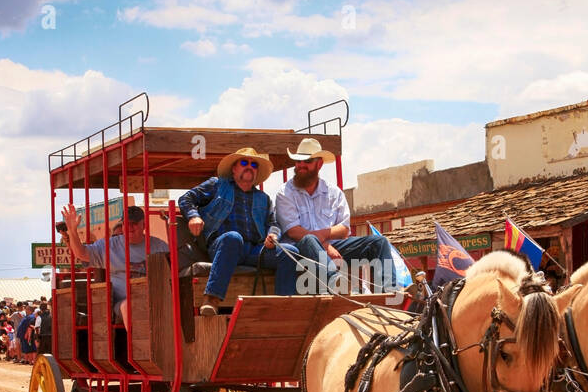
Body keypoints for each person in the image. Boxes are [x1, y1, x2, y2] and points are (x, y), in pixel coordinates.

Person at [177, 147, 294, 313]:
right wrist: (193, 216)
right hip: (223, 246)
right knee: (233, 237)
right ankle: (211, 299)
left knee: (290, 251)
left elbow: (273, 222)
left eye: (254, 165)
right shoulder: (217, 185)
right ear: (234, 168)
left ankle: (283, 307)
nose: (249, 166)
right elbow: (186, 199)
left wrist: (273, 235)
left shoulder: (263, 198)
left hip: (254, 250)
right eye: (245, 162)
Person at [275, 137, 397, 296]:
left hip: (334, 248)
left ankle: (389, 291)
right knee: (309, 240)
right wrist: (325, 245)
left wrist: (325, 242)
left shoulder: (334, 192)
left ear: (319, 164)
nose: (301, 165)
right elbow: (293, 232)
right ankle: (335, 281)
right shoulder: (285, 193)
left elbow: (344, 229)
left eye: (307, 160)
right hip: (300, 251)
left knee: (379, 242)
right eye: (298, 161)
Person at [62, 203, 170, 330]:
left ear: (144, 225)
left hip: (156, 298)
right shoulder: (109, 246)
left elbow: (173, 271)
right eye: (126, 223)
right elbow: (81, 253)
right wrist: (72, 231)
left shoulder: (159, 246)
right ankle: (138, 347)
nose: (129, 227)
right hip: (124, 301)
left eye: (134, 223)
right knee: (129, 307)